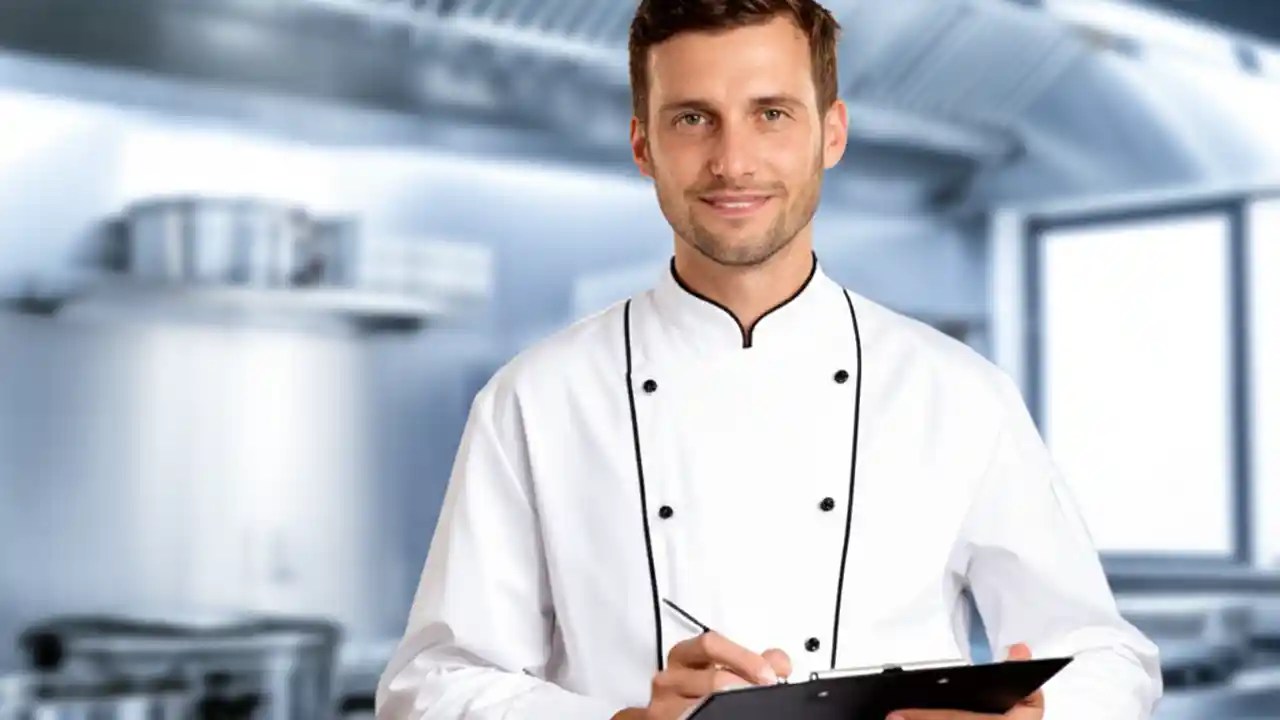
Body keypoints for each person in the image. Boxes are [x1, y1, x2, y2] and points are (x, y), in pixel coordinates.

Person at [376, 1, 1163, 718]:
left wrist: (1044, 717)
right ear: (643, 144)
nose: (734, 161)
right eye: (693, 119)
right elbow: (432, 687)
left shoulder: (956, 394)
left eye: (772, 114)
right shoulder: (536, 398)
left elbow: (1108, 657)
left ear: (832, 133)